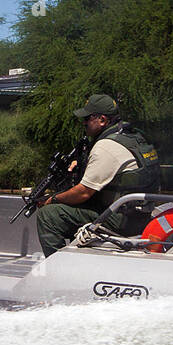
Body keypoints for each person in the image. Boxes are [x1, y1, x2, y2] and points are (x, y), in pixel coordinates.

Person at [35, 94, 160, 256]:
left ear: (102, 120)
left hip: (121, 220)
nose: (84, 122)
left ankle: (60, 268)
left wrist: (53, 199)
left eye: (87, 118)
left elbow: (83, 192)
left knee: (48, 215)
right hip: (140, 214)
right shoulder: (132, 136)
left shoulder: (106, 146)